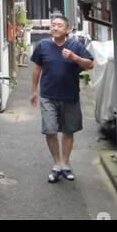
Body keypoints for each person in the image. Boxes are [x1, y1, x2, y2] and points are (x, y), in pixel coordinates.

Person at [29, 12, 93, 183]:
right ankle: (56, 163)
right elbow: (36, 68)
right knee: (50, 130)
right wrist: (34, 91)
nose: (55, 27)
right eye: (53, 25)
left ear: (67, 29)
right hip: (48, 95)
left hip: (70, 95)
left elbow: (90, 64)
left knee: (68, 130)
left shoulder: (75, 45)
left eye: (59, 25)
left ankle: (65, 164)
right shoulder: (42, 45)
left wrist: (74, 57)